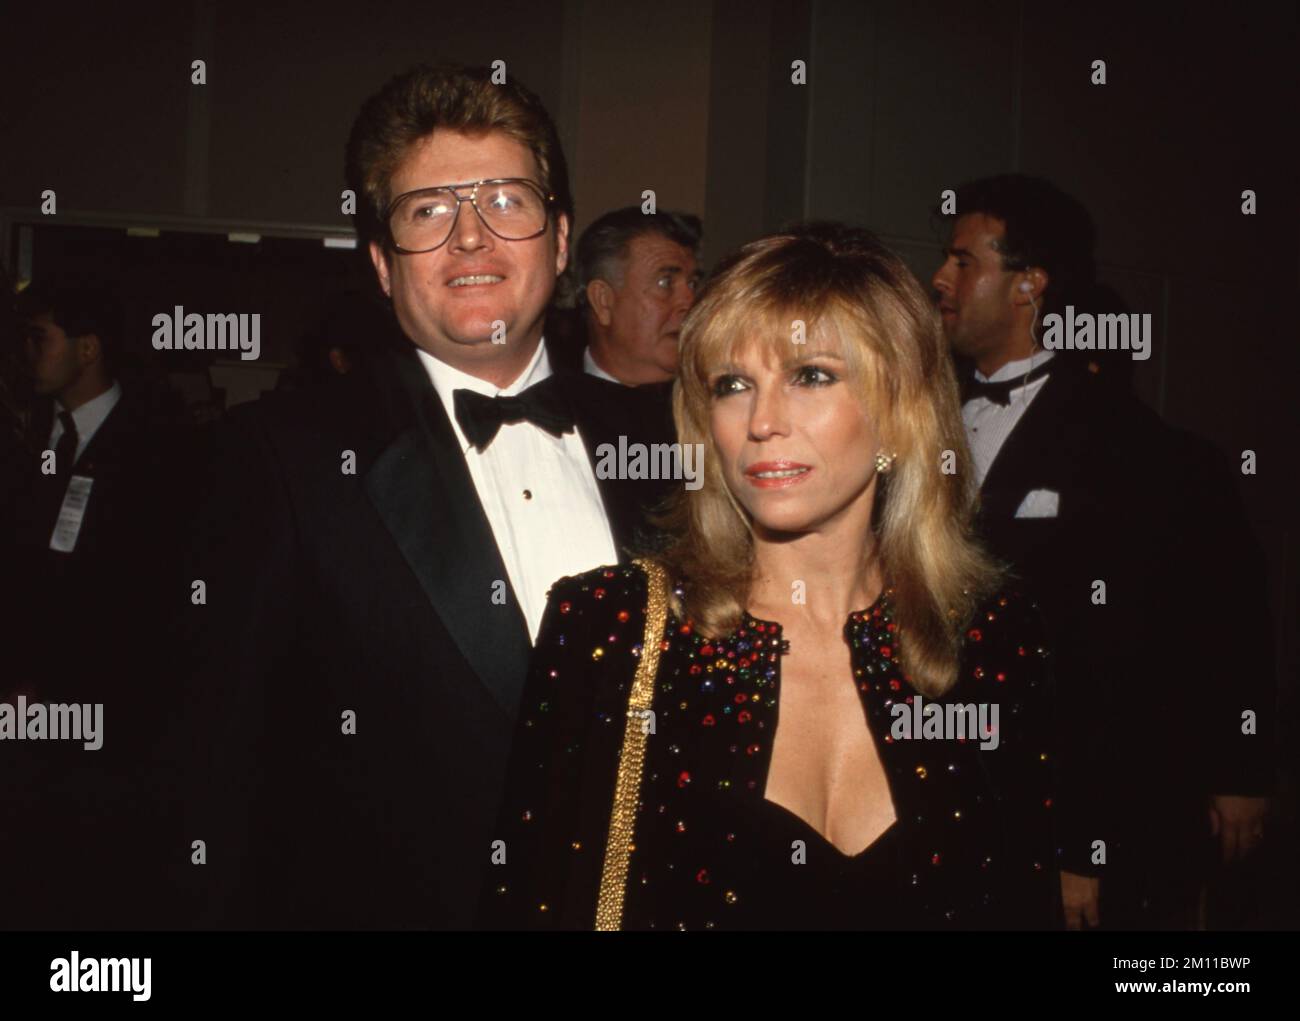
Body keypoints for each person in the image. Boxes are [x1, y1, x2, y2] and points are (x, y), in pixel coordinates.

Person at [164, 63, 678, 930]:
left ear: (558, 242)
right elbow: (215, 772)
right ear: (381, 265)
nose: (470, 238)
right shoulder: (280, 458)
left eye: (505, 202)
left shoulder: (670, 441)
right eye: (428, 211)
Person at [481, 223, 1055, 930]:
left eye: (810, 374)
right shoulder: (611, 627)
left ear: (900, 411)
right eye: (733, 384)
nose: (762, 420)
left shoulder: (990, 636)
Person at [931, 174, 1274, 929]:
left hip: (1056, 812)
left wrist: (1085, 842)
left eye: (963, 261)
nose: (940, 278)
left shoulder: (1129, 449)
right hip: (936, 799)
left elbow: (1128, 660)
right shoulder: (926, 422)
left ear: (1030, 285)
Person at [573, 207, 702, 385]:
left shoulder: (715, 406)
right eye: (665, 282)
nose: (690, 302)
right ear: (603, 301)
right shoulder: (545, 408)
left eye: (693, 284)